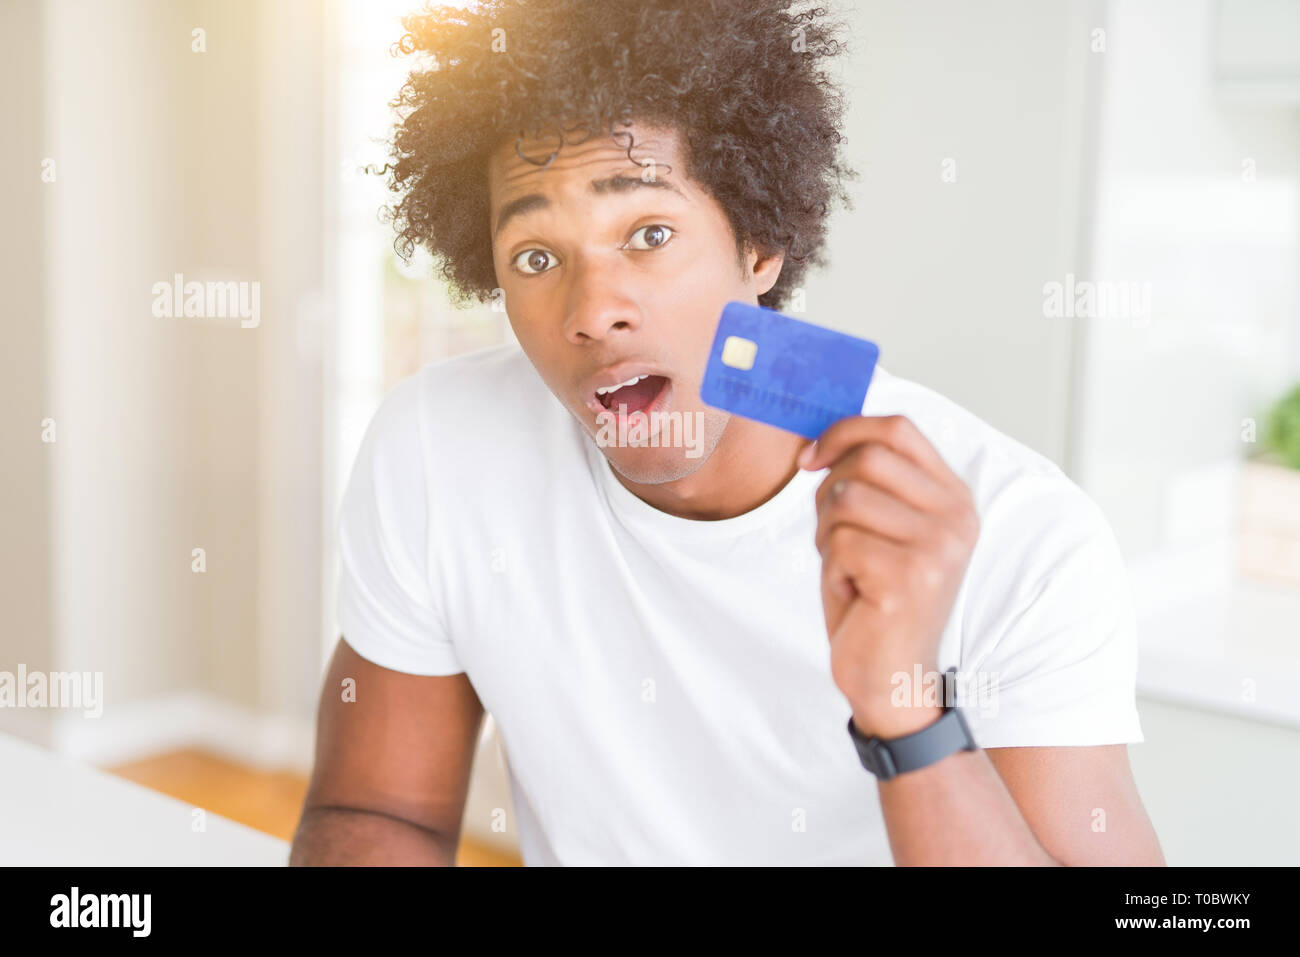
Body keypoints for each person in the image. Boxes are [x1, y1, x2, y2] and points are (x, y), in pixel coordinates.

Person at [291, 0, 1163, 866]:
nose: (592, 313)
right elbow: (376, 811)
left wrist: (908, 711)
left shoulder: (1023, 538)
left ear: (760, 244)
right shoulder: (440, 449)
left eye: (650, 233)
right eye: (536, 257)